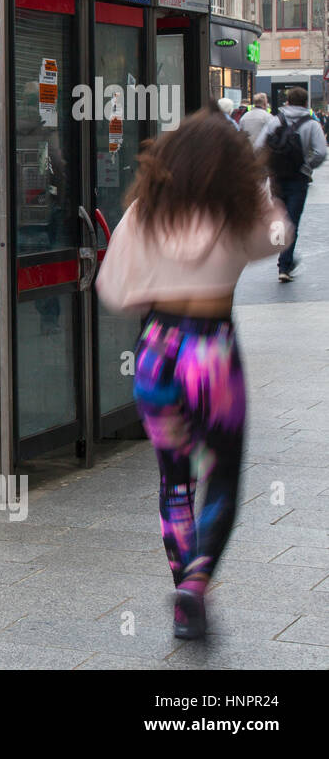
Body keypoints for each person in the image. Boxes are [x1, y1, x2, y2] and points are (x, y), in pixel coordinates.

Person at [96, 106, 291, 640]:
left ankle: (183, 587)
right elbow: (277, 238)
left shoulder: (147, 211)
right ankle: (197, 582)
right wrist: (265, 195)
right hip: (212, 350)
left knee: (174, 479)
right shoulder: (236, 207)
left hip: (158, 349)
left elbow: (113, 287)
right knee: (222, 474)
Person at [254, 87, 328, 281]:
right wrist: (307, 166)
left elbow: (258, 146)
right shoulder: (311, 123)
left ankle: (282, 256)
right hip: (298, 178)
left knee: (280, 215)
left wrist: (270, 164)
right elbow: (320, 152)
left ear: (287, 101)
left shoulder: (275, 120)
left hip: (277, 178)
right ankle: (284, 265)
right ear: (306, 103)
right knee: (292, 220)